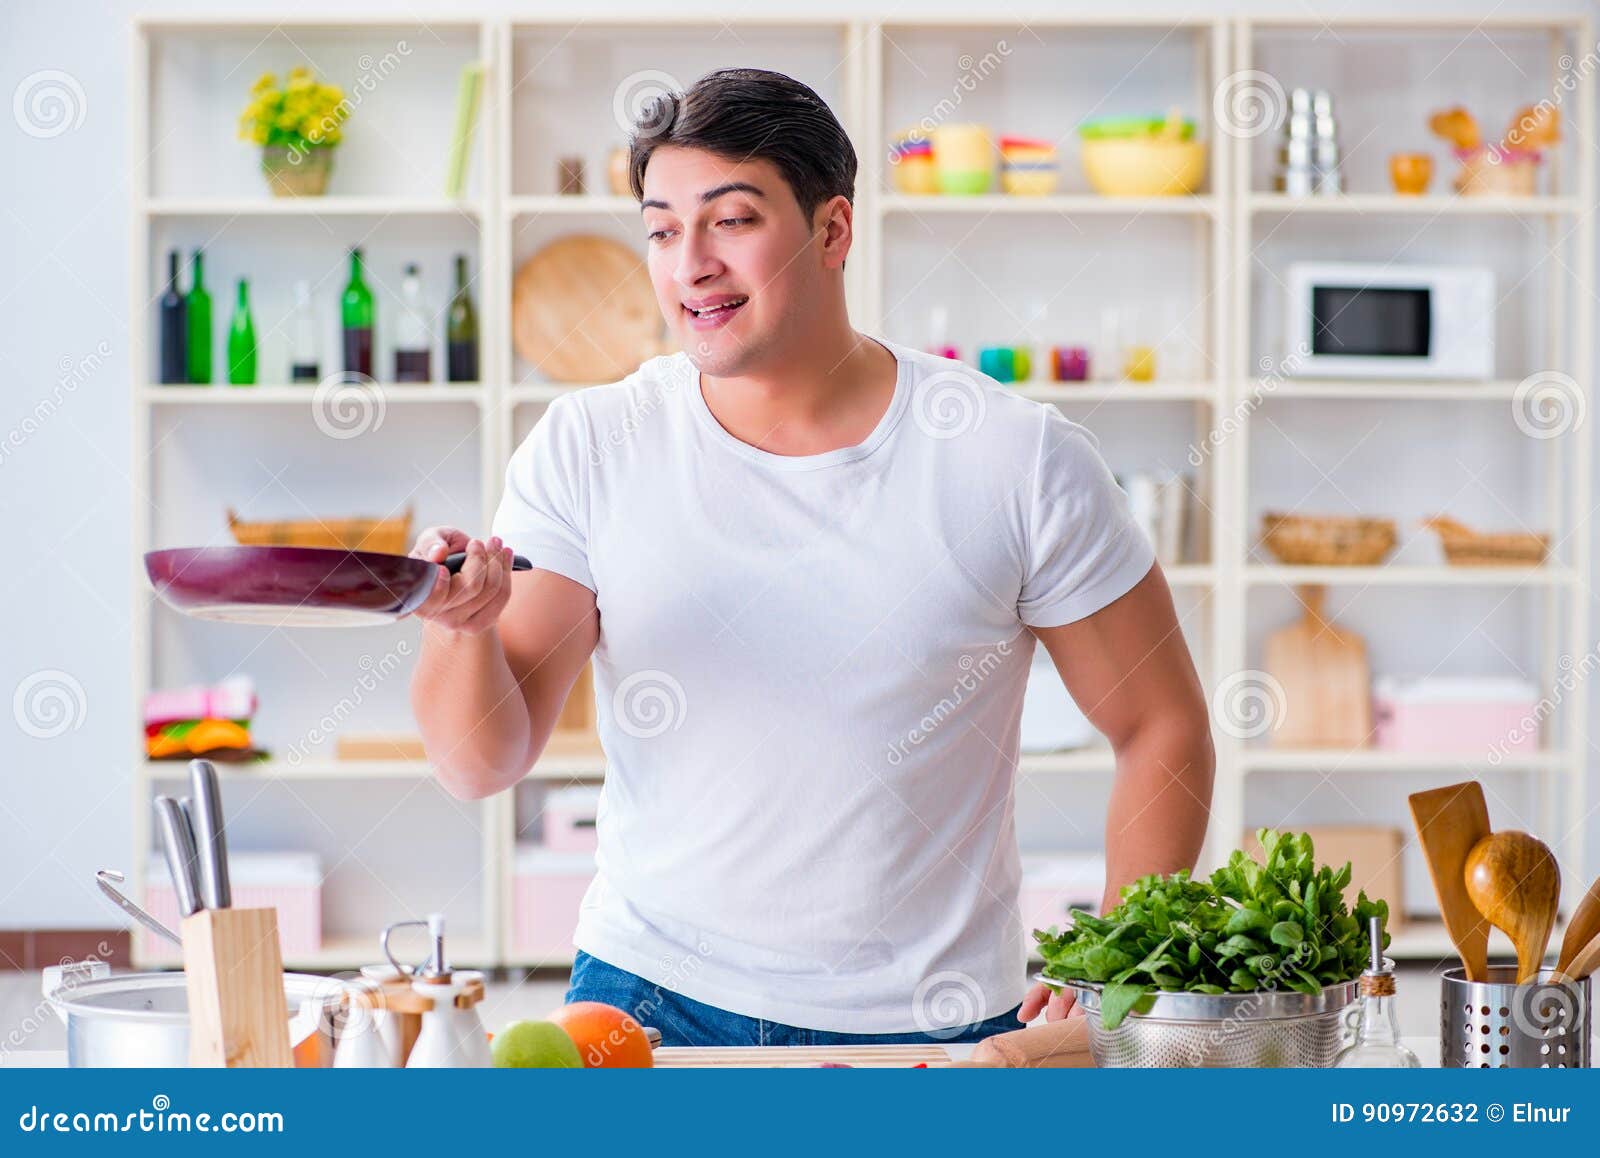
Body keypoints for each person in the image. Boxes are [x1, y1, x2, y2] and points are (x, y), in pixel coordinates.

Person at [409, 68, 1213, 1047]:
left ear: (831, 230)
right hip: (644, 1000)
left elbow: (1161, 723)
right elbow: (478, 762)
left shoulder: (1011, 455)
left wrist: (1116, 975)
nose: (689, 264)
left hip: (936, 1026)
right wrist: (459, 635)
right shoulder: (590, 445)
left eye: (731, 220)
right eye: (662, 229)